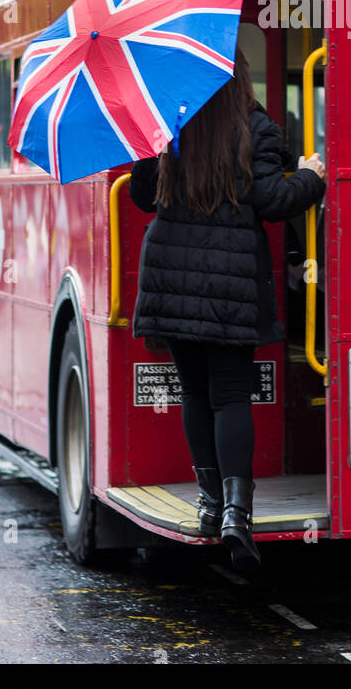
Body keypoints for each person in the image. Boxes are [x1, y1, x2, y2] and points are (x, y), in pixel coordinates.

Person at [129, 49, 326, 575]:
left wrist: (151, 140)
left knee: (194, 393)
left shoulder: (168, 122)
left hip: (170, 275)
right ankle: (238, 514)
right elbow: (274, 199)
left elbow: (144, 199)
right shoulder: (256, 126)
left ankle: (209, 503)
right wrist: (312, 175)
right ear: (240, 75)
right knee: (231, 394)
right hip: (231, 280)